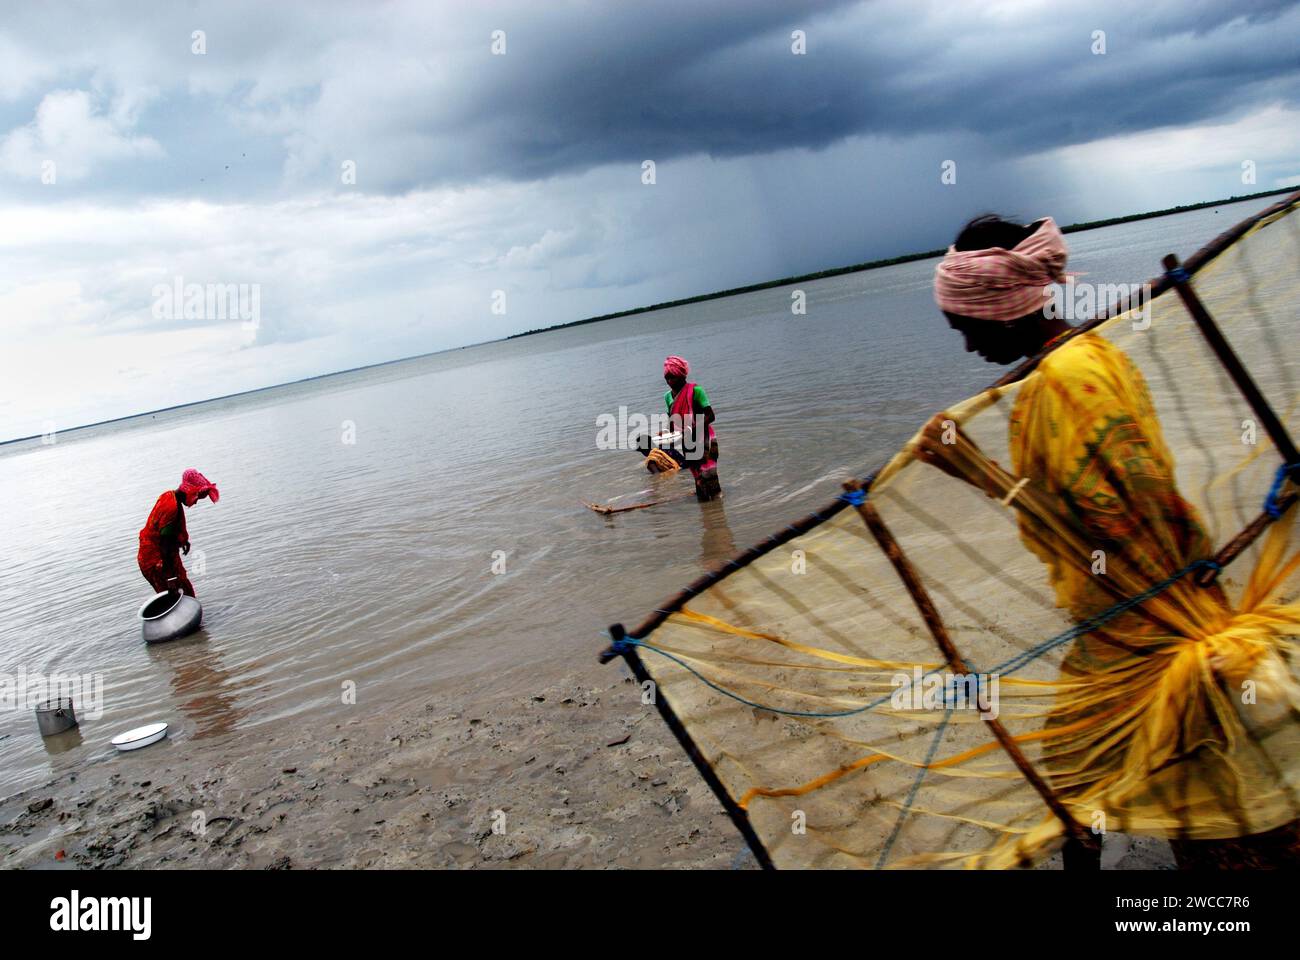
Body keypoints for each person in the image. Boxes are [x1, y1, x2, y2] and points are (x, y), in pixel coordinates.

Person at [917, 214, 1300, 869]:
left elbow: (1126, 520)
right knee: (1086, 781)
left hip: (1151, 628)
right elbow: (1098, 509)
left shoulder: (1067, 381)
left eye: (966, 328)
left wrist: (983, 476)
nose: (966, 347)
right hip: (1134, 620)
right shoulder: (1088, 355)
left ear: (1002, 312)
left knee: (1205, 804)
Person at [138, 469, 219, 598]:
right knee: (178, 596)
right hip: (156, 561)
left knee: (181, 595)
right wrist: (171, 578)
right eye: (196, 497)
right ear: (189, 491)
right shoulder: (172, 509)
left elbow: (166, 532)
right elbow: (165, 546)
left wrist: (182, 540)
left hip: (151, 555)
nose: (196, 502)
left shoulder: (169, 495)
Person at [659, 355, 721, 500]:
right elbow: (673, 420)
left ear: (681, 376)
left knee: (709, 474)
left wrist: (693, 428)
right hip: (688, 441)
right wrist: (667, 432)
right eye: (667, 378)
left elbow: (711, 416)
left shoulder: (696, 391)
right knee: (697, 476)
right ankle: (706, 507)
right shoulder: (668, 397)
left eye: (672, 377)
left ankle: (717, 507)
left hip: (704, 438)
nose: (669, 381)